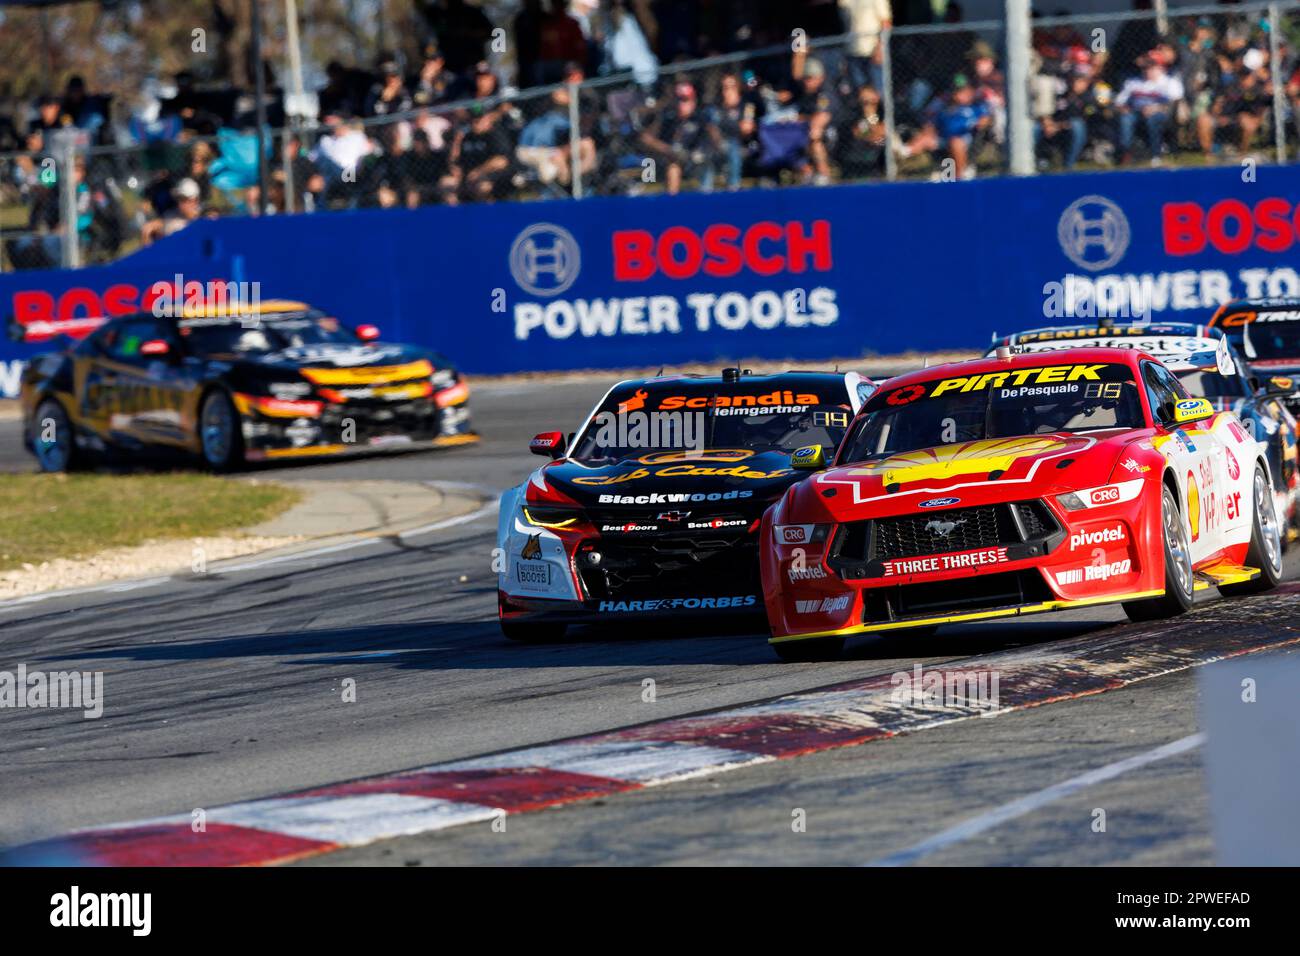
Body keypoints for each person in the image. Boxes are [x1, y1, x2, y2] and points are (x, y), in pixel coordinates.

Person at [637, 81, 717, 194]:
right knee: (673, 168)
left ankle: (707, 196)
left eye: (685, 100)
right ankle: (672, 203)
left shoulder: (701, 118)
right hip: (669, 161)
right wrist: (668, 149)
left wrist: (702, 152)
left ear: (693, 101)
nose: (681, 104)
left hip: (695, 160)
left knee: (706, 164)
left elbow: (714, 141)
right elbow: (645, 139)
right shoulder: (667, 117)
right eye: (678, 100)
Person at [1115, 54, 1184, 164]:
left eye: (1152, 67)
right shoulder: (1133, 82)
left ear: (1161, 68)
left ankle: (1155, 154)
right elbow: (1119, 102)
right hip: (1136, 112)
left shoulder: (1169, 82)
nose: (1148, 71)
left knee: (1153, 119)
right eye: (1145, 68)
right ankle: (1125, 152)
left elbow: (1174, 104)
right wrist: (1124, 109)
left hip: (1161, 113)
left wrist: (1156, 108)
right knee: (1126, 119)